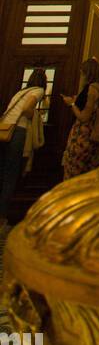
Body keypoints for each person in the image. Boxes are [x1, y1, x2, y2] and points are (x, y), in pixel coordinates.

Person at [0, 68, 47, 229]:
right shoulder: (39, 91)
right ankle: (2, 219)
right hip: (18, 132)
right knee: (10, 176)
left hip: (5, 130)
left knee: (2, 172)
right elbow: (27, 109)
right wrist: (35, 116)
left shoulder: (20, 92)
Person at [61, 57, 99, 180]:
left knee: (73, 175)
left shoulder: (91, 89)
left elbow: (84, 117)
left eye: (83, 73)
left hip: (82, 137)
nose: (81, 76)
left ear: (88, 73)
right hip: (94, 137)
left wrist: (71, 104)